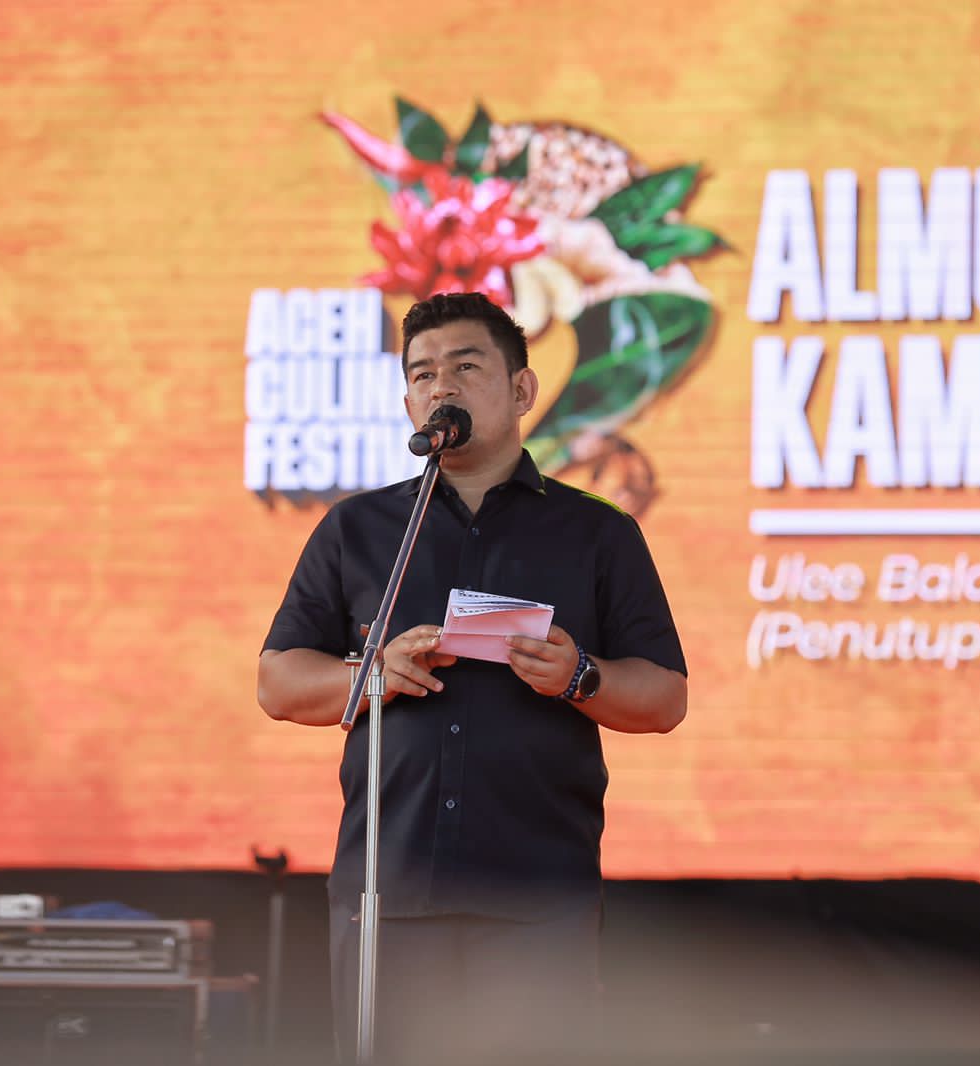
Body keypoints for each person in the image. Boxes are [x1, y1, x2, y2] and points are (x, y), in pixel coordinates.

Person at [256, 291, 688, 1062]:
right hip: (386, 893)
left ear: (521, 390)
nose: (440, 388)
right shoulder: (359, 529)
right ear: (407, 402)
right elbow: (279, 682)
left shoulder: (595, 532)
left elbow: (664, 698)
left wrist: (580, 675)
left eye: (464, 367)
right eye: (422, 375)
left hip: (535, 896)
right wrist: (373, 672)